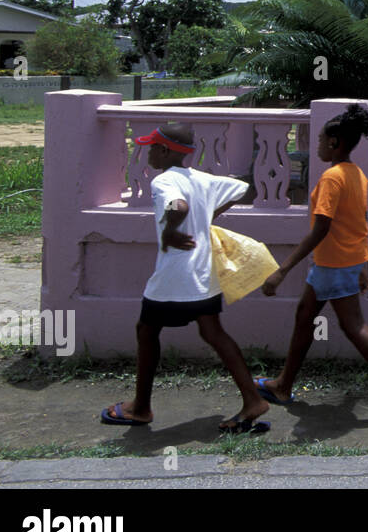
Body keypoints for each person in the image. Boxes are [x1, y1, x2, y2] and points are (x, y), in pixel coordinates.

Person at [256, 104, 368, 424]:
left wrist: (282, 270)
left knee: (354, 326)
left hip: (333, 265)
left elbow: (322, 228)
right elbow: (359, 222)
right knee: (306, 316)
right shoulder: (355, 174)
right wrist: (363, 265)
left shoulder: (332, 178)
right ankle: (282, 385)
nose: (316, 145)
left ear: (334, 142)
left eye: (320, 140)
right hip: (338, 263)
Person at [101, 123, 270, 433]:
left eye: (151, 146)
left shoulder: (164, 180)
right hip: (205, 274)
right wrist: (207, 217)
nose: (148, 151)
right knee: (213, 332)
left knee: (147, 330)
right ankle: (252, 400)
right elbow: (243, 188)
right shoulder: (201, 179)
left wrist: (169, 232)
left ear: (165, 150)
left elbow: (178, 206)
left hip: (176, 276)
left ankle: (140, 408)